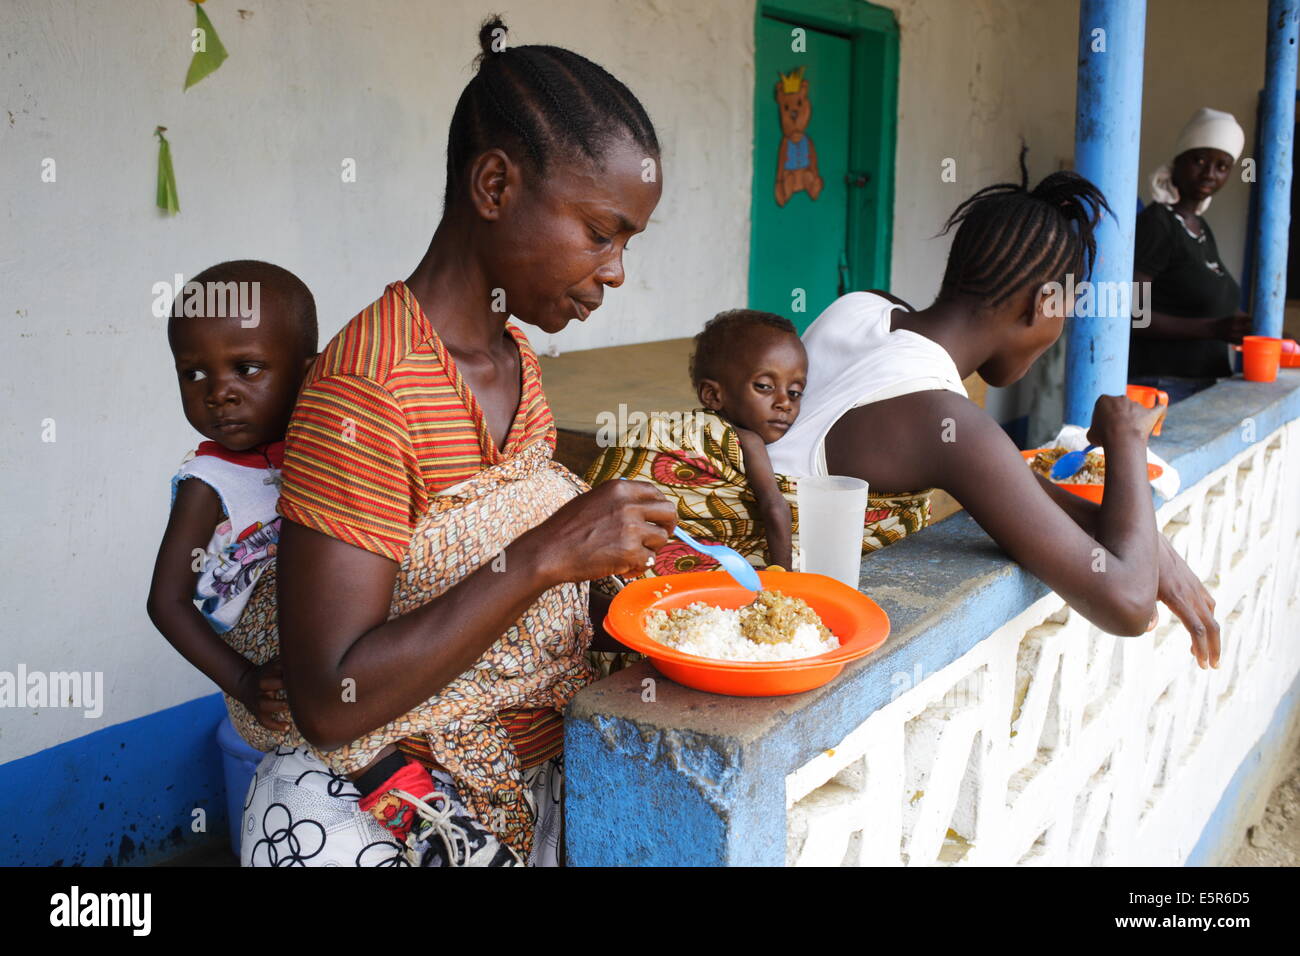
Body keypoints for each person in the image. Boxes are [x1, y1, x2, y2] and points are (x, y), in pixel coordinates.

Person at [226, 17, 675, 868]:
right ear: (496, 186)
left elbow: (506, 573)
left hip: (516, 783)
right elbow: (331, 697)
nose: (615, 270)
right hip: (371, 817)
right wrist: (549, 551)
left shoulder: (515, 361)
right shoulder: (366, 391)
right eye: (600, 231)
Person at [768, 172, 1222, 668]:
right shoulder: (944, 420)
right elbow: (1129, 606)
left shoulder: (861, 307)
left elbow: (1003, 477)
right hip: (765, 620)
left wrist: (1150, 543)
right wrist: (1127, 437)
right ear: (1040, 304)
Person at [146, 260, 316, 738]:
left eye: (247, 368)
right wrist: (243, 681)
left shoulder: (324, 449)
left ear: (308, 372)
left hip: (331, 651)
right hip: (264, 675)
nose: (219, 393)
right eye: (194, 374)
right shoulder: (208, 481)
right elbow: (167, 601)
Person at [585, 309, 804, 575]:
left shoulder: (686, 427)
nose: (784, 403)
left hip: (604, 555)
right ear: (712, 395)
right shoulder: (747, 441)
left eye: (795, 392)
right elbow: (773, 506)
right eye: (764, 386)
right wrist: (784, 576)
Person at [1129, 108, 1250, 402]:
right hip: (1161, 385)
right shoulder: (1157, 223)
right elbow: (1132, 312)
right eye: (1199, 160)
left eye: (1222, 166)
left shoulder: (1200, 228)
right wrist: (1214, 328)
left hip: (1201, 382)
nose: (1209, 173)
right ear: (1178, 161)